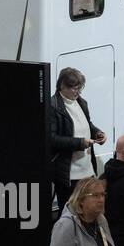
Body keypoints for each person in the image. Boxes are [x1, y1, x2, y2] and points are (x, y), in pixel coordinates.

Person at [48, 66, 105, 210]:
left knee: (89, 210)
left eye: (80, 88)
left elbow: (87, 124)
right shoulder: (52, 106)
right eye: (74, 88)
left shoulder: (81, 102)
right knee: (70, 214)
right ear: (62, 86)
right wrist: (80, 143)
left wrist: (97, 133)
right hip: (68, 174)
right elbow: (52, 139)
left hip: (87, 169)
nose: (78, 92)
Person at [47, 177, 118, 246]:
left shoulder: (101, 220)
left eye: (103, 194)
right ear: (81, 200)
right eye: (95, 195)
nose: (101, 200)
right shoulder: (66, 225)